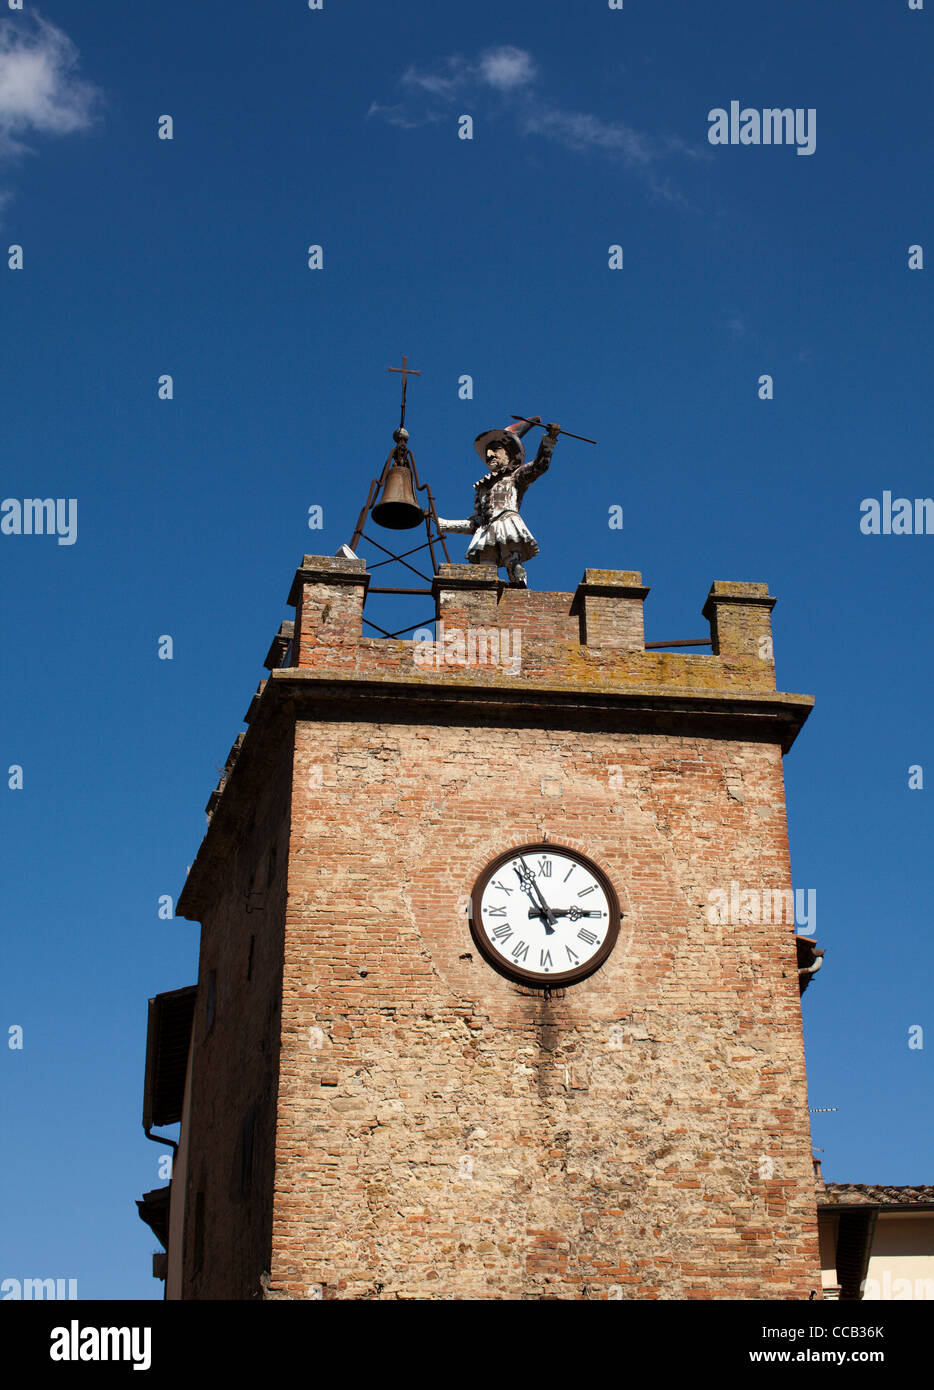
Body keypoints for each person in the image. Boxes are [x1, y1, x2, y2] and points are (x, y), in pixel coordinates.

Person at [437, 417, 560, 586]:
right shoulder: (482, 488)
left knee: (513, 562)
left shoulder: (515, 476)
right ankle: (486, 594)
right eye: (487, 451)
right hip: (486, 531)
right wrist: (444, 524)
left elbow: (540, 466)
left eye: (496, 449)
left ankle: (518, 589)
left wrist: (550, 440)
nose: (489, 455)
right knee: (484, 570)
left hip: (506, 523)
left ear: (509, 453)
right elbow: (476, 524)